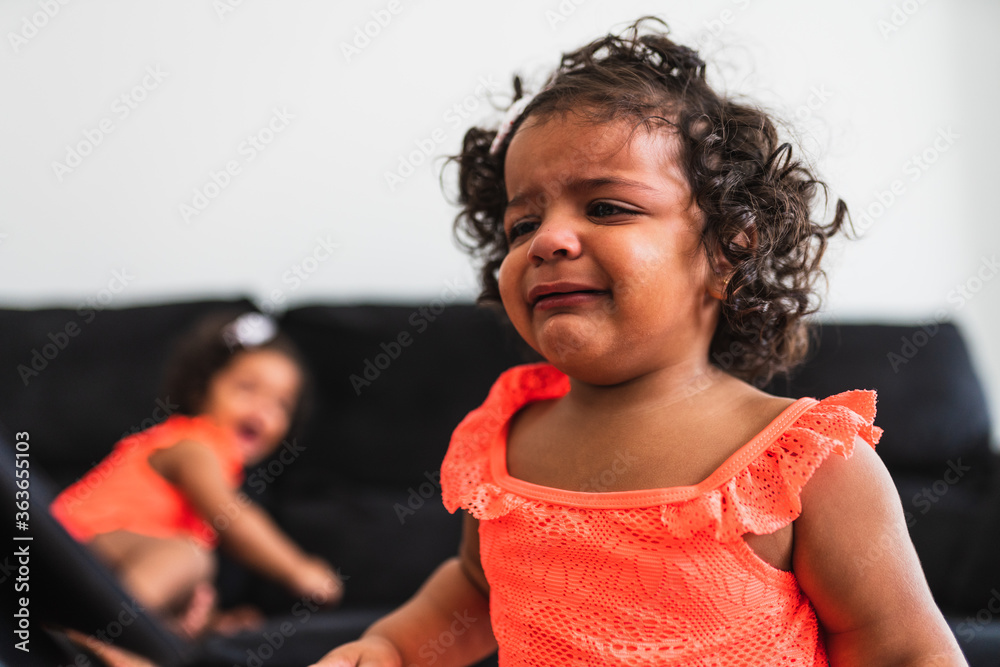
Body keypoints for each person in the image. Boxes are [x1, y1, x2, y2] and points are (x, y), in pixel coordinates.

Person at [314, 17, 965, 666]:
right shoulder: (504, 438)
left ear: (726, 250)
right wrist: (389, 647)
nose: (548, 240)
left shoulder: (803, 465)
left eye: (606, 207)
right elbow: (476, 587)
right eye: (523, 223)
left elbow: (908, 650)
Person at [51, 310, 343, 636]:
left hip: (103, 569)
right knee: (190, 557)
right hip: (65, 551)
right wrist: (297, 568)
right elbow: (231, 516)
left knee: (194, 592)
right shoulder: (192, 446)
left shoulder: (216, 466)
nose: (264, 409)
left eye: (281, 405)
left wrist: (215, 621)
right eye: (248, 388)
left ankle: (110, 638)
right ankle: (98, 637)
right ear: (201, 389)